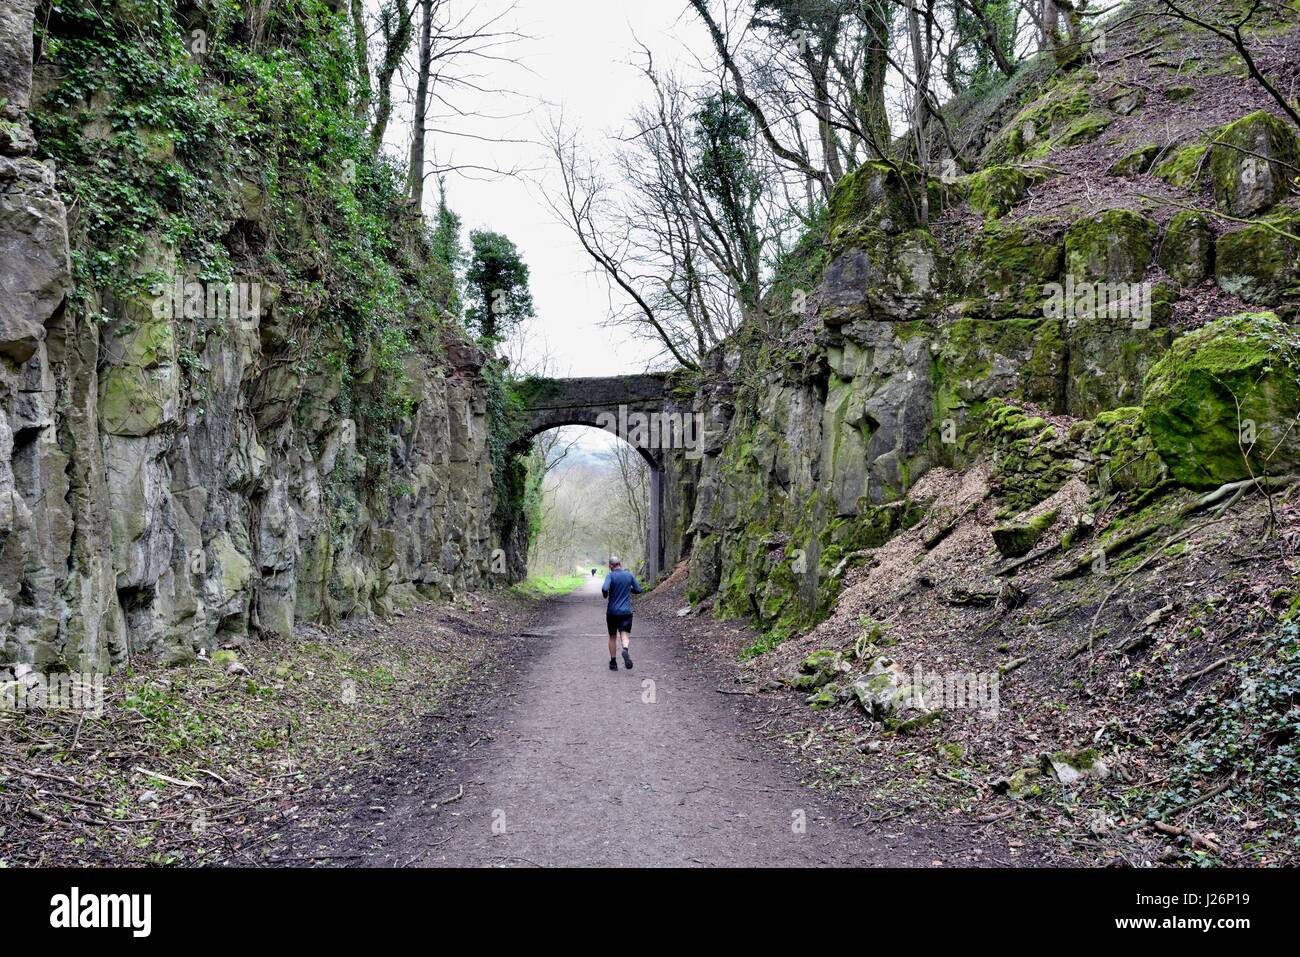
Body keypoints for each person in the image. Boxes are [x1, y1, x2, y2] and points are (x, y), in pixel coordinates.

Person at [601, 556, 642, 671]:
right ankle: (625, 649)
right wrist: (630, 589)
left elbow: (605, 588)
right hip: (626, 611)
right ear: (620, 564)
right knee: (624, 634)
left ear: (610, 566)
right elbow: (639, 590)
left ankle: (613, 662)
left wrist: (605, 595)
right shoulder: (629, 575)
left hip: (612, 612)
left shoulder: (610, 575)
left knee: (612, 637)